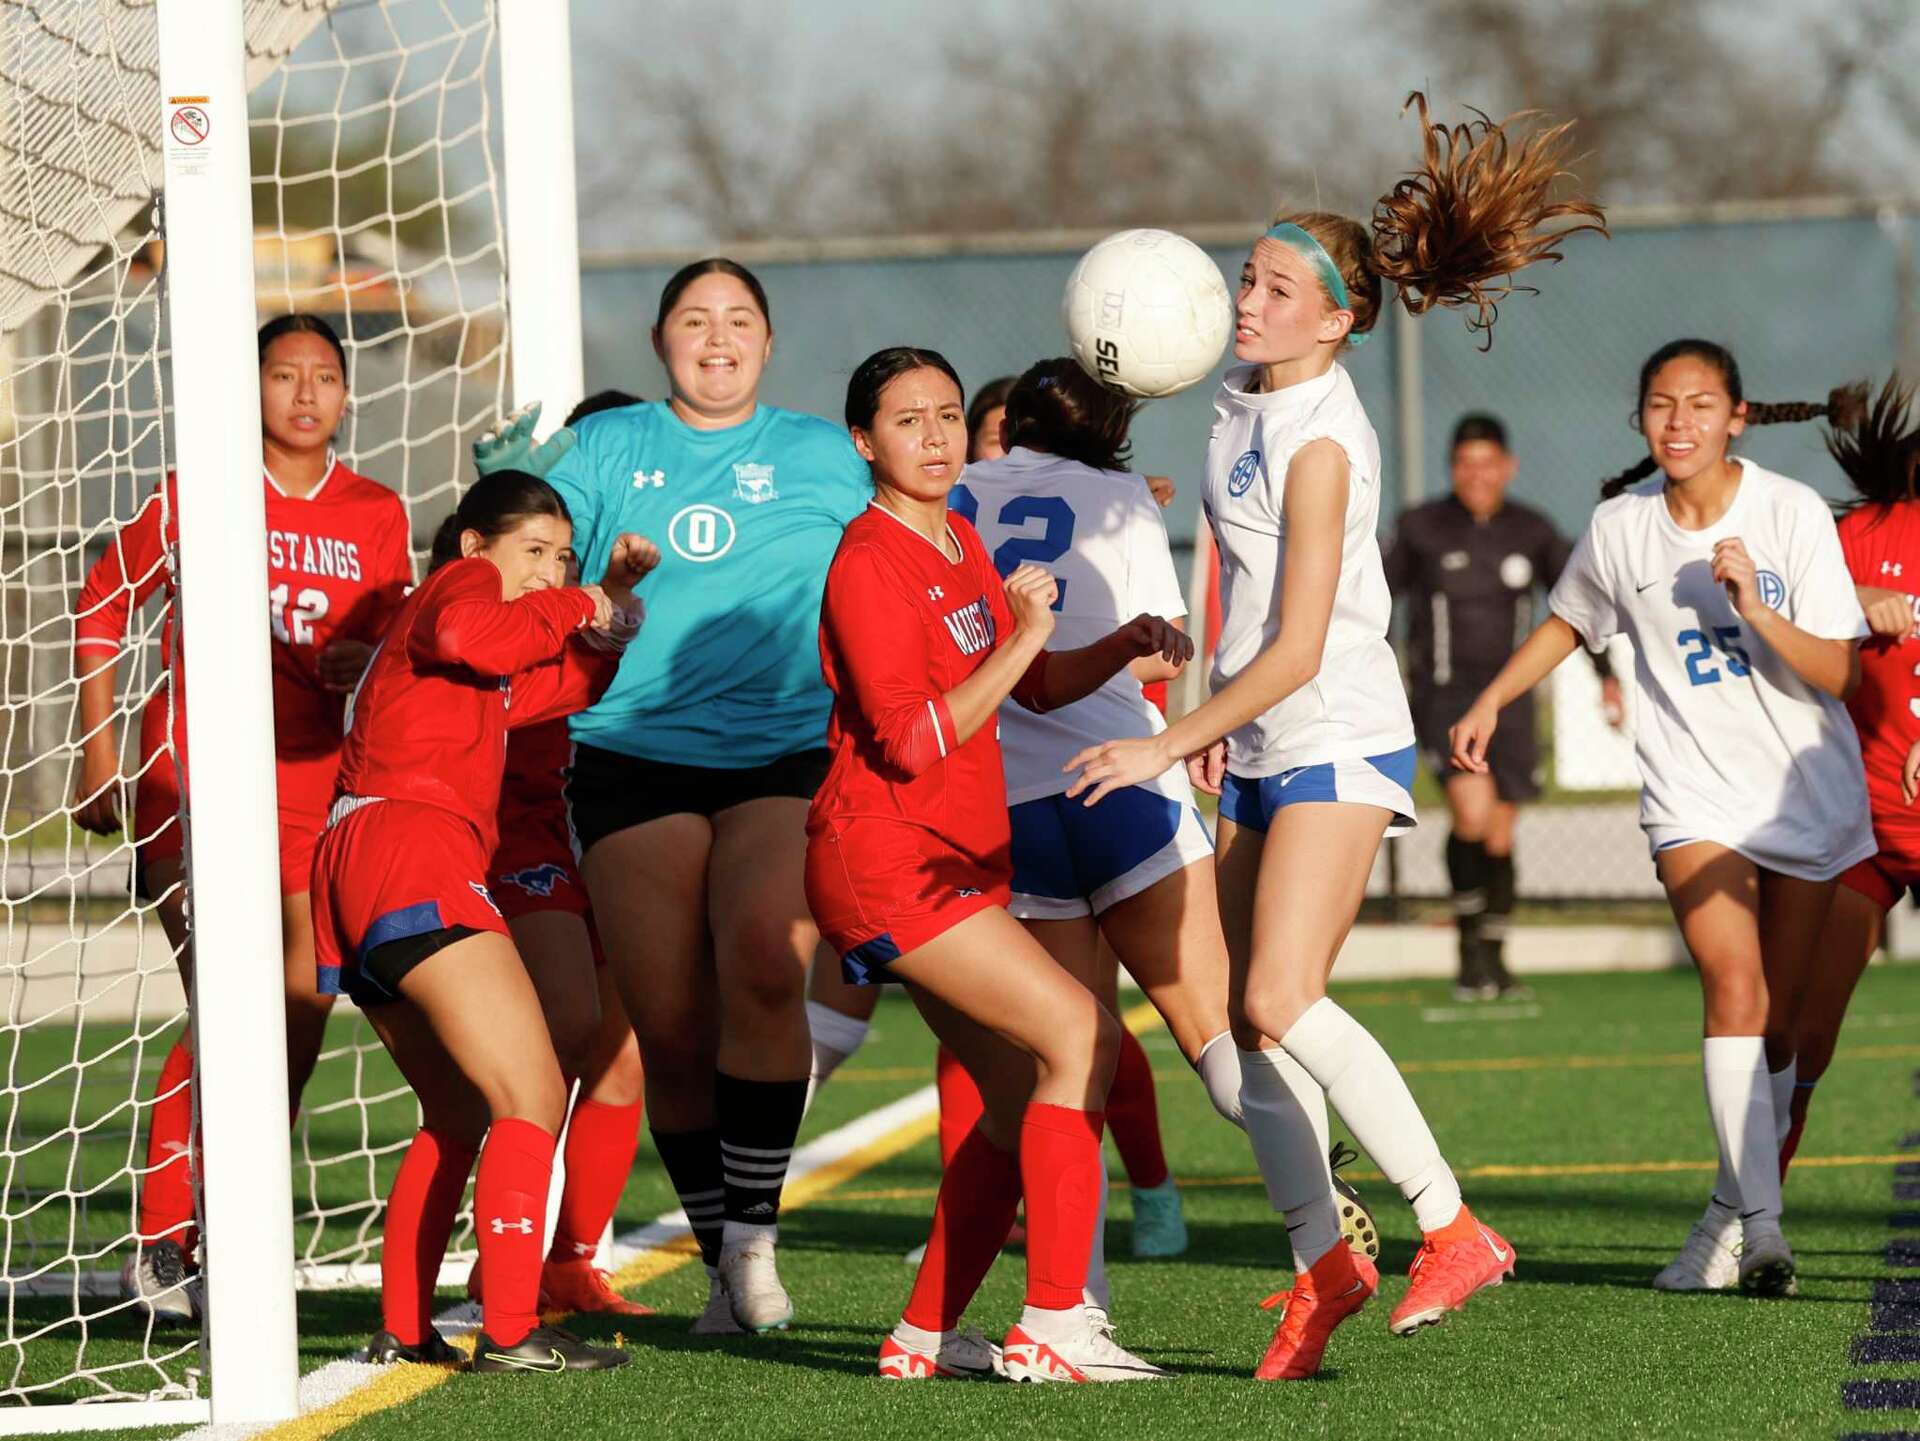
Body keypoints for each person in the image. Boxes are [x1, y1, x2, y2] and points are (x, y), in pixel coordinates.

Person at [1065, 93, 1603, 1379]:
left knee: (1275, 993)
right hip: (1253, 737)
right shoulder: (1240, 400)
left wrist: (1158, 738)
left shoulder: (1324, 440)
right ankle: (1322, 1270)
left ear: (1337, 315)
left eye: (1269, 288)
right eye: (1244, 279)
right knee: (1248, 1034)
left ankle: (1451, 1222)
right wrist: (1199, 699)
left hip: (1338, 732)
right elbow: (1233, 585)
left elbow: (1304, 643)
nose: (1241, 302)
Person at [1449, 340, 1873, 1299]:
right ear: (1641, 419)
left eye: (1700, 404)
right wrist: (1490, 700)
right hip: (1692, 797)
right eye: (1659, 404)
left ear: (1737, 416)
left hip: (1804, 797)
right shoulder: (1620, 527)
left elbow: (1843, 673)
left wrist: (1757, 608)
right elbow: (1568, 622)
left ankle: (1724, 1218)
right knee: (1735, 984)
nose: (1679, 421)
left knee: (1785, 1033)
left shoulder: (1791, 513)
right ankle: (1765, 1232)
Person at [812, 346, 1191, 1382]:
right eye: (906, 421)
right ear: (864, 442)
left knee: (1020, 1095)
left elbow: (1029, 687)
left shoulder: (959, 541)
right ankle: (1058, 1324)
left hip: (951, 860)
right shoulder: (867, 559)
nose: (934, 438)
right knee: (1081, 1032)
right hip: (889, 860)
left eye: (947, 416)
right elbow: (913, 740)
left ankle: (921, 1335)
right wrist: (1026, 636)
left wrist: (1117, 647)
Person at [534, 259, 872, 1334]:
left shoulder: (822, 452)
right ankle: (720, 1251)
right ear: (659, 338)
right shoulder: (602, 447)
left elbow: (910, 549)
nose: (716, 337)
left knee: (767, 972)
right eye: (694, 319)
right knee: (670, 1024)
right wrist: (512, 510)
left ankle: (758, 1243)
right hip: (628, 750)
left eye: (738, 320)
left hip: (781, 751)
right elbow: (528, 568)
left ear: (768, 341)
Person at [71, 314, 412, 1320]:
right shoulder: (197, 491)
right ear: (248, 387)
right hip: (194, 780)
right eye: (282, 374)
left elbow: (396, 640)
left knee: (305, 1000)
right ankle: (166, 1236)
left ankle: (238, 1212)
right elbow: (102, 603)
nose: (305, 394)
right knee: (227, 998)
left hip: (316, 790)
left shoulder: (376, 511)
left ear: (348, 396)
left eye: (324, 377)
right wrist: (100, 755)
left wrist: (369, 659)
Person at [311, 469, 654, 1371]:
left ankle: (406, 1321)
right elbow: (475, 628)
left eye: (561, 554)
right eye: (532, 551)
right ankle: (509, 1327)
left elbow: (559, 685)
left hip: (360, 859)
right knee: (533, 1091)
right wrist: (584, 596)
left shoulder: (465, 663)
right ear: (473, 545)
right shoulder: (456, 589)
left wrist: (613, 614)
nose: (549, 570)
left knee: (458, 1110)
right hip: (410, 849)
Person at [463, 386, 654, 1320]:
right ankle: (496, 1253)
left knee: (622, 1054)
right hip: (516, 827)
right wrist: (502, 493)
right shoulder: (528, 565)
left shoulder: (668, 548)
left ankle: (572, 1259)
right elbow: (460, 606)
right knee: (558, 1040)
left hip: (622, 804)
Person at [1386, 412, 1624, 999]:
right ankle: (1468, 956)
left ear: (1508, 467)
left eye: (1488, 463)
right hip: (1445, 700)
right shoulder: (1421, 528)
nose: (1477, 474)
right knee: (1470, 815)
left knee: (1498, 832)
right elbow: (1373, 600)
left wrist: (1606, 676)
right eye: (1466, 463)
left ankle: (1496, 955)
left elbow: (1578, 606)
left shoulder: (1533, 531)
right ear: (1452, 468)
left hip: (1511, 705)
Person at [1783, 378, 1917, 1175]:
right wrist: (1853, 598)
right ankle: (1749, 1212)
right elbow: (1776, 615)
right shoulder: (1856, 534)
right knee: (1803, 1032)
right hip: (1863, 819)